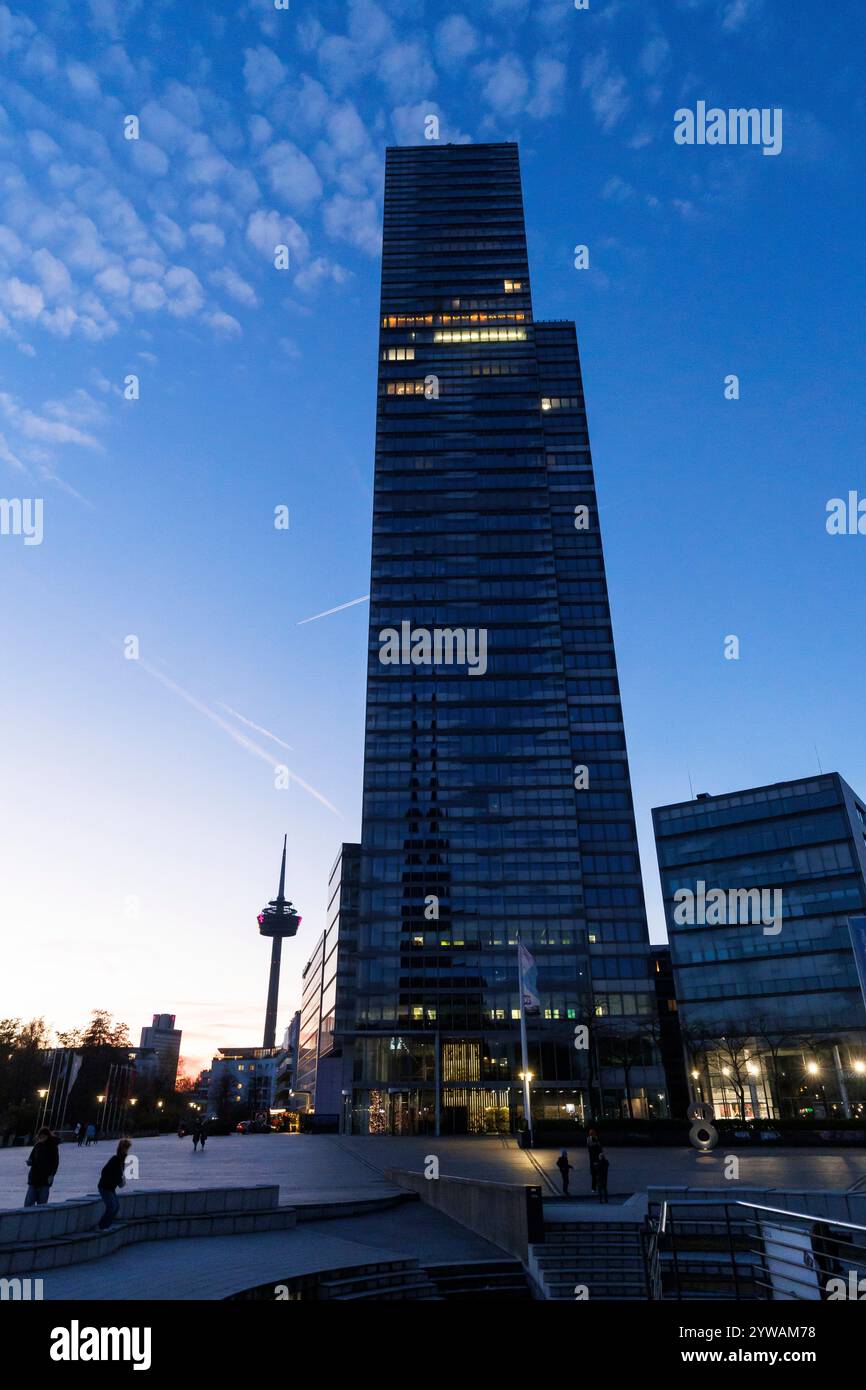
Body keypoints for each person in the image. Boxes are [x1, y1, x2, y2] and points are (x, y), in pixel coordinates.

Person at [97, 1138, 131, 1230]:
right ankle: (101, 1226)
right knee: (112, 1206)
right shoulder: (115, 1159)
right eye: (126, 1148)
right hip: (105, 1187)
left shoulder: (121, 1160)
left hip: (111, 1188)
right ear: (121, 1148)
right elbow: (104, 1171)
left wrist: (119, 1181)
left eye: (127, 1148)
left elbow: (118, 1174)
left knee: (116, 1207)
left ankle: (105, 1226)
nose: (127, 1150)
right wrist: (113, 1180)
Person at [25, 1128, 60, 1206]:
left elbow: (55, 1163)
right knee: (28, 1204)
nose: (41, 1138)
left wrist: (52, 1175)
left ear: (48, 1136)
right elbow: (31, 1158)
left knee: (42, 1205)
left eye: (43, 1136)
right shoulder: (37, 1146)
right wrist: (30, 1162)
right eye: (40, 1136)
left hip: (45, 1180)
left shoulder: (53, 1147)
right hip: (34, 1179)